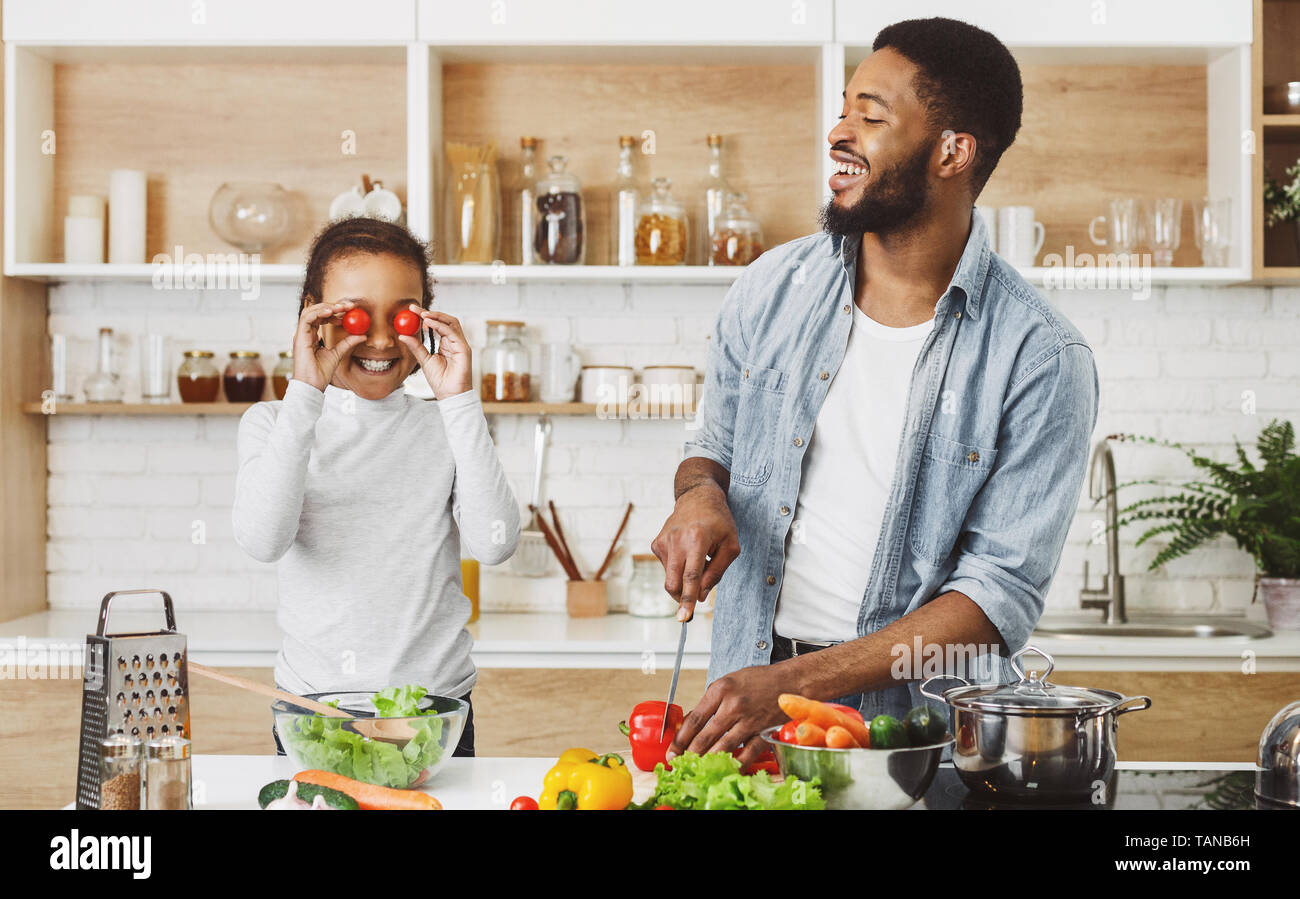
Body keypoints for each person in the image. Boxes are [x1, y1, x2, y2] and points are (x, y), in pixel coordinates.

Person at [652, 17, 1098, 766]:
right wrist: (699, 494)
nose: (839, 131)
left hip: (912, 737)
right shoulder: (771, 287)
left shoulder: (1042, 357)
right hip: (745, 713)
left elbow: (996, 600)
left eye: (871, 116)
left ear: (953, 151)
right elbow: (713, 450)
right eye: (842, 109)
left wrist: (790, 683)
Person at [232, 216, 520, 757]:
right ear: (312, 316)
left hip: (433, 716)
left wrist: (459, 400)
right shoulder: (275, 423)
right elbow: (262, 540)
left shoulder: (447, 423)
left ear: (428, 319)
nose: (383, 339)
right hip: (315, 712)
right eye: (356, 316)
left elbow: (495, 543)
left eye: (404, 316)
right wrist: (305, 391)